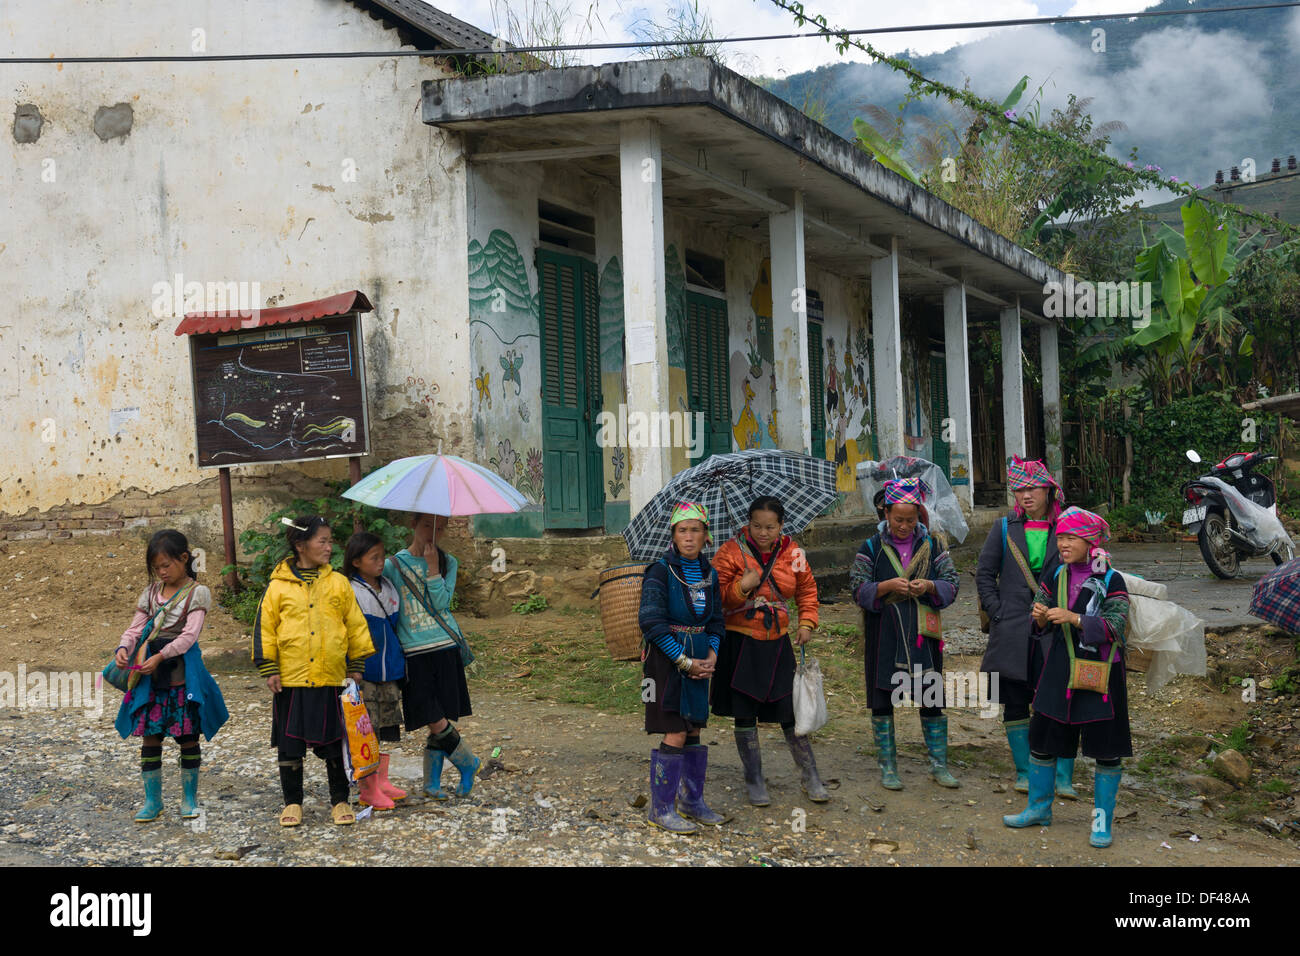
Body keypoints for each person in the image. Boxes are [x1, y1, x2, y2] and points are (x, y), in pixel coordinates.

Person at [1004, 507, 1131, 848]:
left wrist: (1075, 620)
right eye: (1059, 536)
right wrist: (1041, 617)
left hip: (1101, 672)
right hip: (1060, 667)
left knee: (1106, 750)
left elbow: (1117, 626)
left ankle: (1102, 823)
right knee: (1043, 739)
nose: (1062, 543)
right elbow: (1038, 619)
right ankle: (1038, 808)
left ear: (1091, 542)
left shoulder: (1111, 580)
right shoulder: (1057, 574)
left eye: (1070, 537)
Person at [252, 516, 374, 827]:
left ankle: (340, 800)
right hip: (291, 679)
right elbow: (265, 628)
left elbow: (355, 624)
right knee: (290, 744)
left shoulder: (338, 583)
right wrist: (270, 668)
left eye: (331, 541)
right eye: (323, 541)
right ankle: (292, 802)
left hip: (330, 676)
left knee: (334, 742)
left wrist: (356, 664)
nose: (329, 547)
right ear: (300, 545)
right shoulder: (277, 587)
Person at [711, 495, 826, 805]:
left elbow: (807, 588)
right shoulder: (730, 552)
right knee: (745, 711)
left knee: (789, 710)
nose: (763, 533)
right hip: (740, 642)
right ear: (748, 523)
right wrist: (741, 587)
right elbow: (715, 596)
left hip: (777, 640)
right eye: (757, 526)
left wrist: (807, 623)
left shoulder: (794, 552)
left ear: (781, 526)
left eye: (770, 527)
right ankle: (754, 779)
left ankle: (810, 775)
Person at [849, 478, 961, 790]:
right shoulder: (870, 548)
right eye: (898, 519)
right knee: (883, 696)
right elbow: (857, 589)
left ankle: (939, 765)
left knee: (930, 695)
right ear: (885, 513)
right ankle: (888, 768)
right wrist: (884, 587)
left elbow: (952, 583)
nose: (904, 526)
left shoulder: (933, 545)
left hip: (923, 632)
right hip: (884, 632)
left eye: (910, 520)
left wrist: (928, 586)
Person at [975, 455, 1077, 798]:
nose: (1025, 495)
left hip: (1056, 629)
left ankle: (1063, 776)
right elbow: (985, 573)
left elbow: (1085, 573)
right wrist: (997, 610)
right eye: (1018, 489)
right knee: (1014, 699)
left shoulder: (1068, 527)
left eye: (1032, 488)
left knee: (1059, 699)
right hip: (1012, 629)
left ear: (1049, 489)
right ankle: (1024, 772)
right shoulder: (1004, 528)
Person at [114, 529, 228, 823]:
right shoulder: (151, 593)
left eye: (167, 565)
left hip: (181, 675)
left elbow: (189, 636)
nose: (162, 572)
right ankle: (153, 802)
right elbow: (136, 628)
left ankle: (189, 799)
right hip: (151, 678)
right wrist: (124, 647)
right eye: (157, 568)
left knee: (188, 736)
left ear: (184, 559)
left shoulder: (197, 593)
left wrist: (161, 656)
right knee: (150, 738)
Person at [638, 501, 726, 834]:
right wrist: (684, 661)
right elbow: (650, 622)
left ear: (707, 536)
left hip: (702, 659)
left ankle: (692, 801)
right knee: (675, 727)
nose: (689, 537)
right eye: (682, 530)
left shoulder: (710, 574)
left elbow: (717, 620)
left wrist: (712, 654)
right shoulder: (659, 572)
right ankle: (661, 808)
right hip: (667, 660)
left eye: (695, 530)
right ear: (673, 536)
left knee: (693, 728)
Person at [384, 513, 479, 800]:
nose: (433, 534)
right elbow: (389, 606)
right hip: (413, 650)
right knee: (430, 714)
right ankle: (468, 762)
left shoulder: (448, 562)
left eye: (440, 528)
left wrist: (434, 569)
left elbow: (441, 604)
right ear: (412, 524)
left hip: (444, 647)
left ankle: (431, 783)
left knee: (437, 716)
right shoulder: (393, 566)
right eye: (427, 525)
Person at [343, 532, 408, 811]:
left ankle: (381, 781)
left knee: (384, 723)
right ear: (356, 561)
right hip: (364, 672)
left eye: (382, 556)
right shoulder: (350, 590)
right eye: (374, 558)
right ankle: (366, 788)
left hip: (390, 669)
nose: (381, 562)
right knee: (365, 729)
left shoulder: (390, 588)